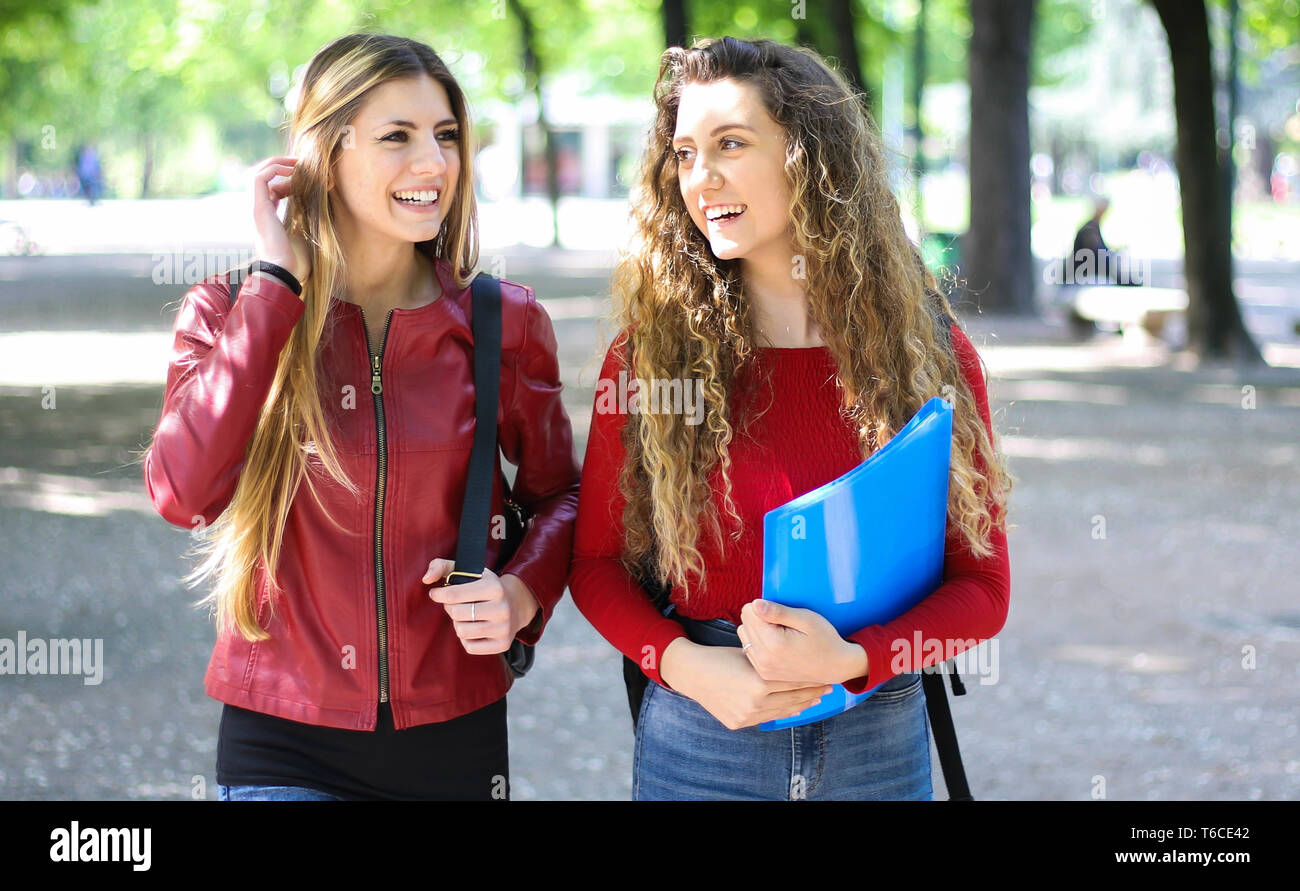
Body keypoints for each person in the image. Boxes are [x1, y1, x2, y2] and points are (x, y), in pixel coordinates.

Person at [568, 37, 1013, 801]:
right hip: (703, 735)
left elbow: (984, 588)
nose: (700, 179)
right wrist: (684, 664)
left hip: (877, 735)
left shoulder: (932, 357)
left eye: (731, 144)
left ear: (810, 157)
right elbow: (596, 566)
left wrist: (854, 658)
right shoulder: (646, 361)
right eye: (684, 154)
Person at [142, 33, 580, 801]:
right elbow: (182, 491)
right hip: (284, 737)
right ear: (324, 155)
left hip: (457, 735)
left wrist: (520, 596)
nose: (434, 164)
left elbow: (563, 496)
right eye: (397, 137)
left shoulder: (502, 322)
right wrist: (276, 286)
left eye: (446, 136)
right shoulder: (230, 310)